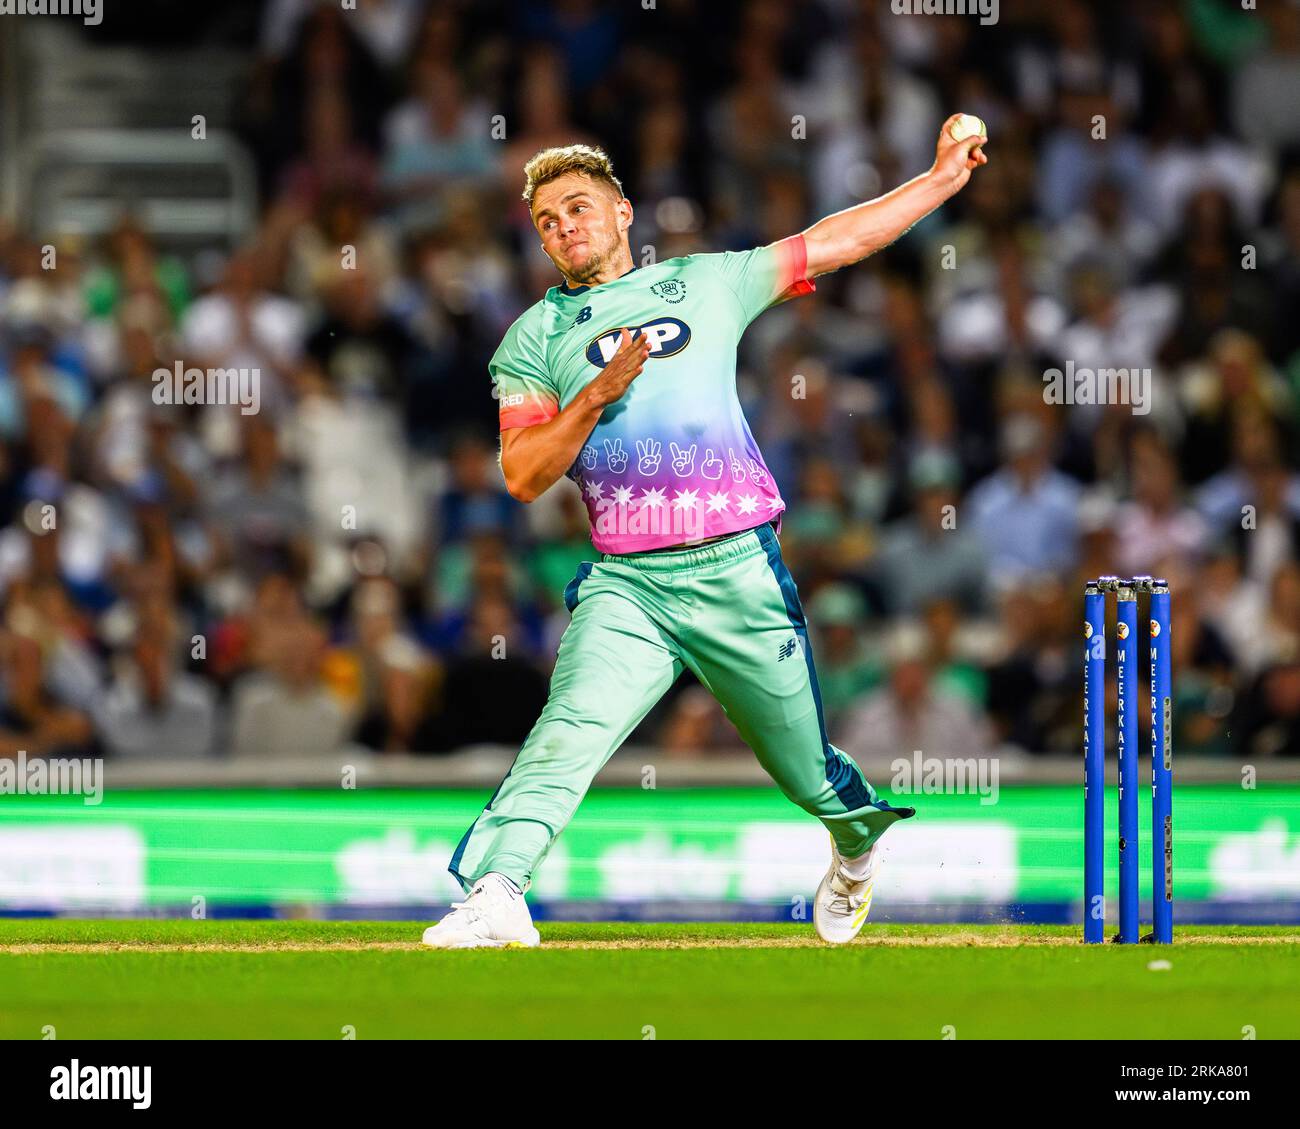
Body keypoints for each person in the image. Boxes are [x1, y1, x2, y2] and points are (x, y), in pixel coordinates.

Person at [423, 119, 988, 949]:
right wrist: (593, 395)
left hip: (737, 566)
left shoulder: (704, 282)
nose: (564, 227)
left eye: (579, 207)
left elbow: (829, 243)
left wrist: (939, 182)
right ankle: (498, 890)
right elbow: (523, 474)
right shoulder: (532, 342)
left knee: (805, 771)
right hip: (630, 584)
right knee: (566, 731)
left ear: (623, 212)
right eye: (547, 221)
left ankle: (857, 843)